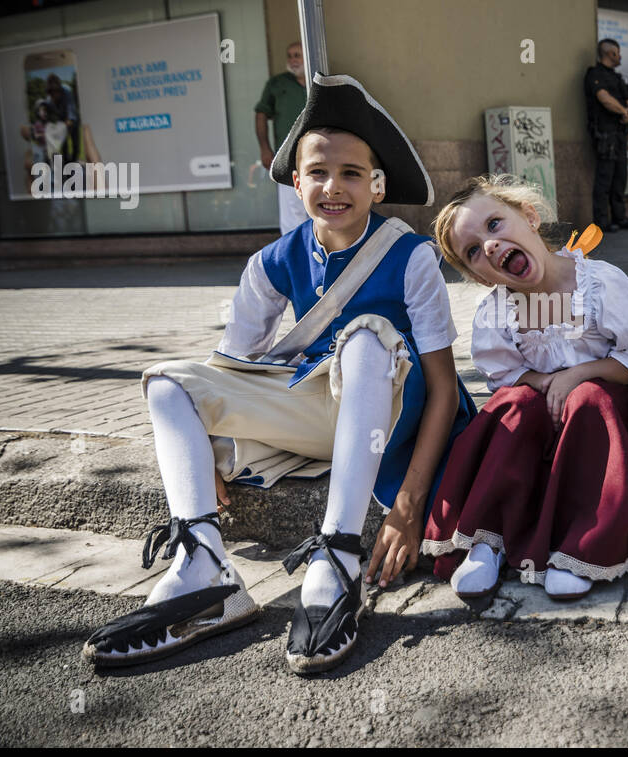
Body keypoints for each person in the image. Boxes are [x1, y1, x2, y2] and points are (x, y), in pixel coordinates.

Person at [82, 73, 476, 674]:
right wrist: (204, 449)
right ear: (297, 182)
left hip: (392, 417)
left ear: (376, 184)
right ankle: (202, 564)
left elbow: (445, 387)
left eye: (351, 173)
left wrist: (408, 504)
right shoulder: (271, 261)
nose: (333, 186)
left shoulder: (410, 254)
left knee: (368, 337)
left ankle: (339, 553)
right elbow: (230, 370)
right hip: (320, 410)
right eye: (317, 171)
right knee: (167, 381)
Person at [424, 176, 628, 601]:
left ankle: (585, 545)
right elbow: (503, 374)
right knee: (511, 404)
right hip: (544, 425)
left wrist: (576, 376)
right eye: (473, 250)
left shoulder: (598, 283)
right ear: (476, 275)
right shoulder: (497, 311)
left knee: (588, 398)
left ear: (530, 218)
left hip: (608, 418)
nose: (489, 245)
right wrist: (544, 383)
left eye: (494, 225)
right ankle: (489, 537)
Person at [255, 40, 310, 234]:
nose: (292, 59)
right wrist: (264, 148)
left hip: (320, 156)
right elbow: (261, 113)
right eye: (290, 55)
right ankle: (294, 257)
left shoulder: (321, 80)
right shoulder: (276, 84)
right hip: (287, 157)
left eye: (297, 55)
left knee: (319, 208)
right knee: (291, 214)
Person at [583, 39, 628, 233]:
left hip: (619, 134)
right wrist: (624, 111)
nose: (620, 57)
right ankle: (601, 221)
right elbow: (604, 98)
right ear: (610, 54)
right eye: (617, 53)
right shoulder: (595, 74)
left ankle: (620, 217)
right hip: (605, 134)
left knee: (620, 176)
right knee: (605, 177)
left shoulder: (617, 78)